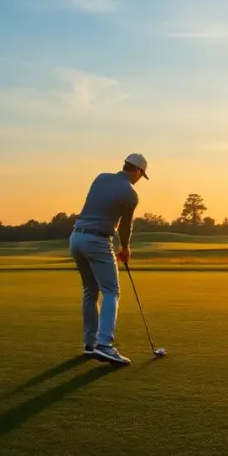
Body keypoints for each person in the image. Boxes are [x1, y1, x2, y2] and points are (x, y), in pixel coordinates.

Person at [70, 153, 148, 365]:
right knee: (111, 291)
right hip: (97, 240)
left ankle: (90, 344)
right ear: (138, 171)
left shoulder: (101, 177)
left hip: (76, 237)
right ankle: (104, 344)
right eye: (141, 175)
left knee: (90, 291)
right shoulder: (130, 193)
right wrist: (125, 247)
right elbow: (125, 225)